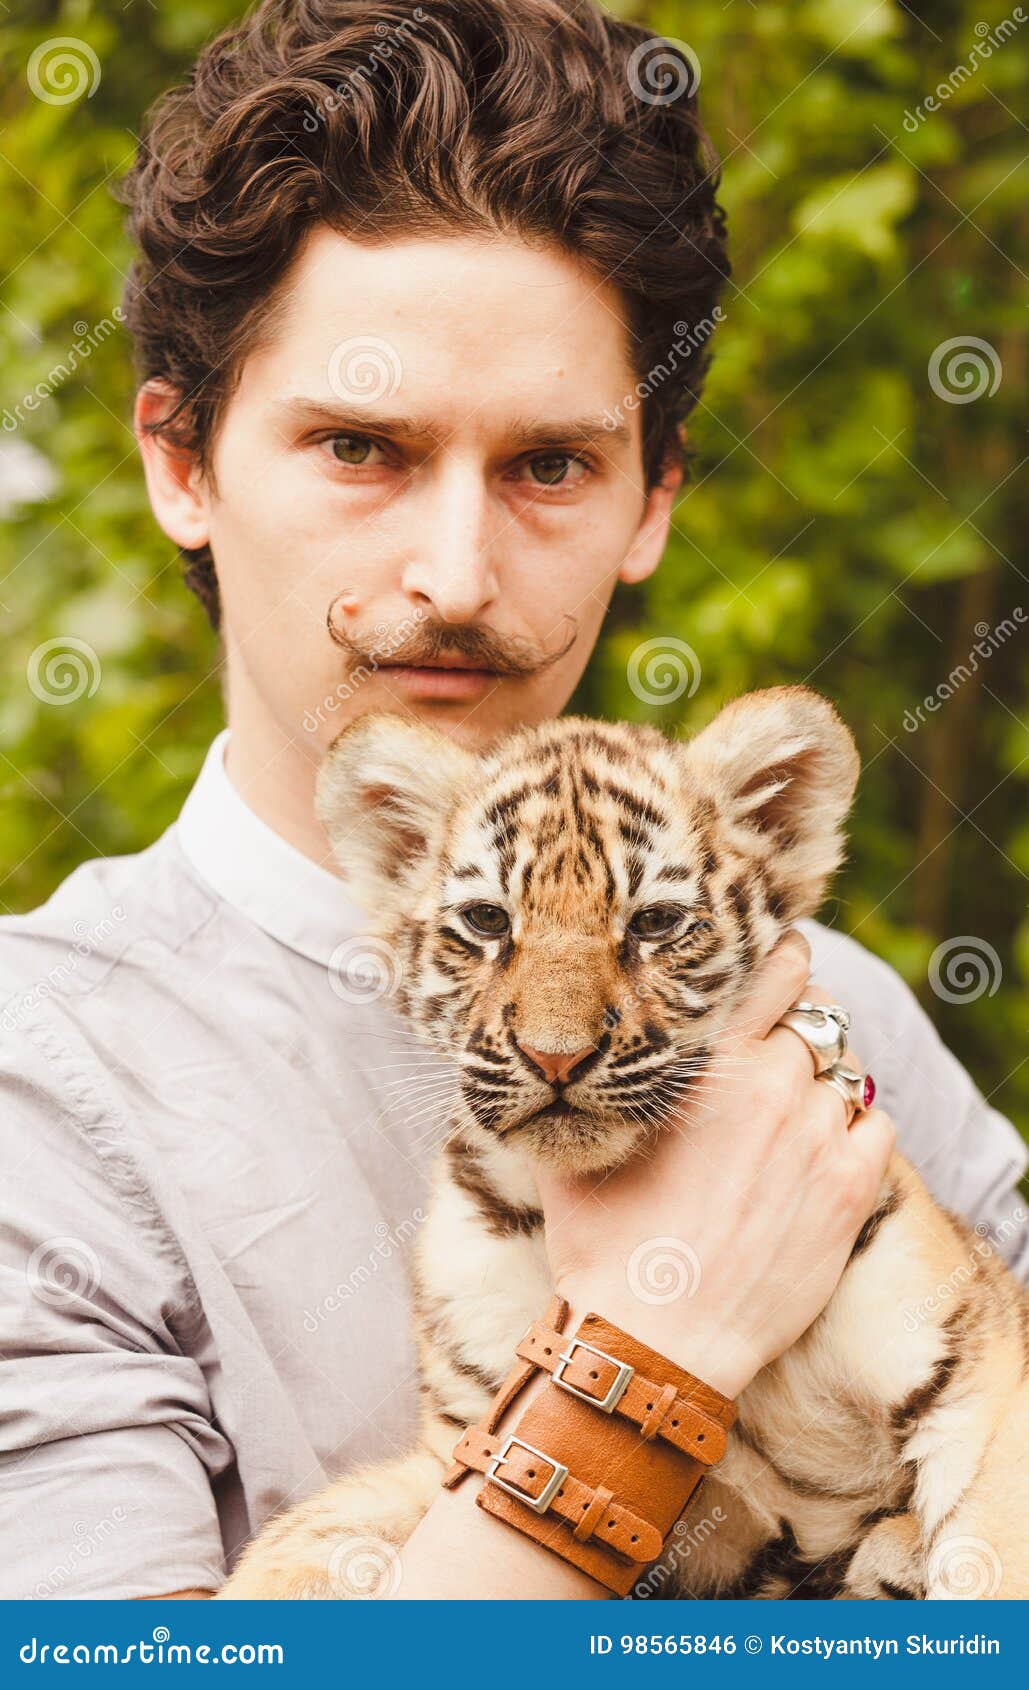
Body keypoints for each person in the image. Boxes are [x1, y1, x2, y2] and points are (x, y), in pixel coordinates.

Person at [1, 0, 1024, 1601]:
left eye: (549, 464)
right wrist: (647, 1346)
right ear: (180, 463)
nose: (457, 579)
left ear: (648, 501)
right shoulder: (41, 1091)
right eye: (360, 446)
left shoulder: (841, 1019)